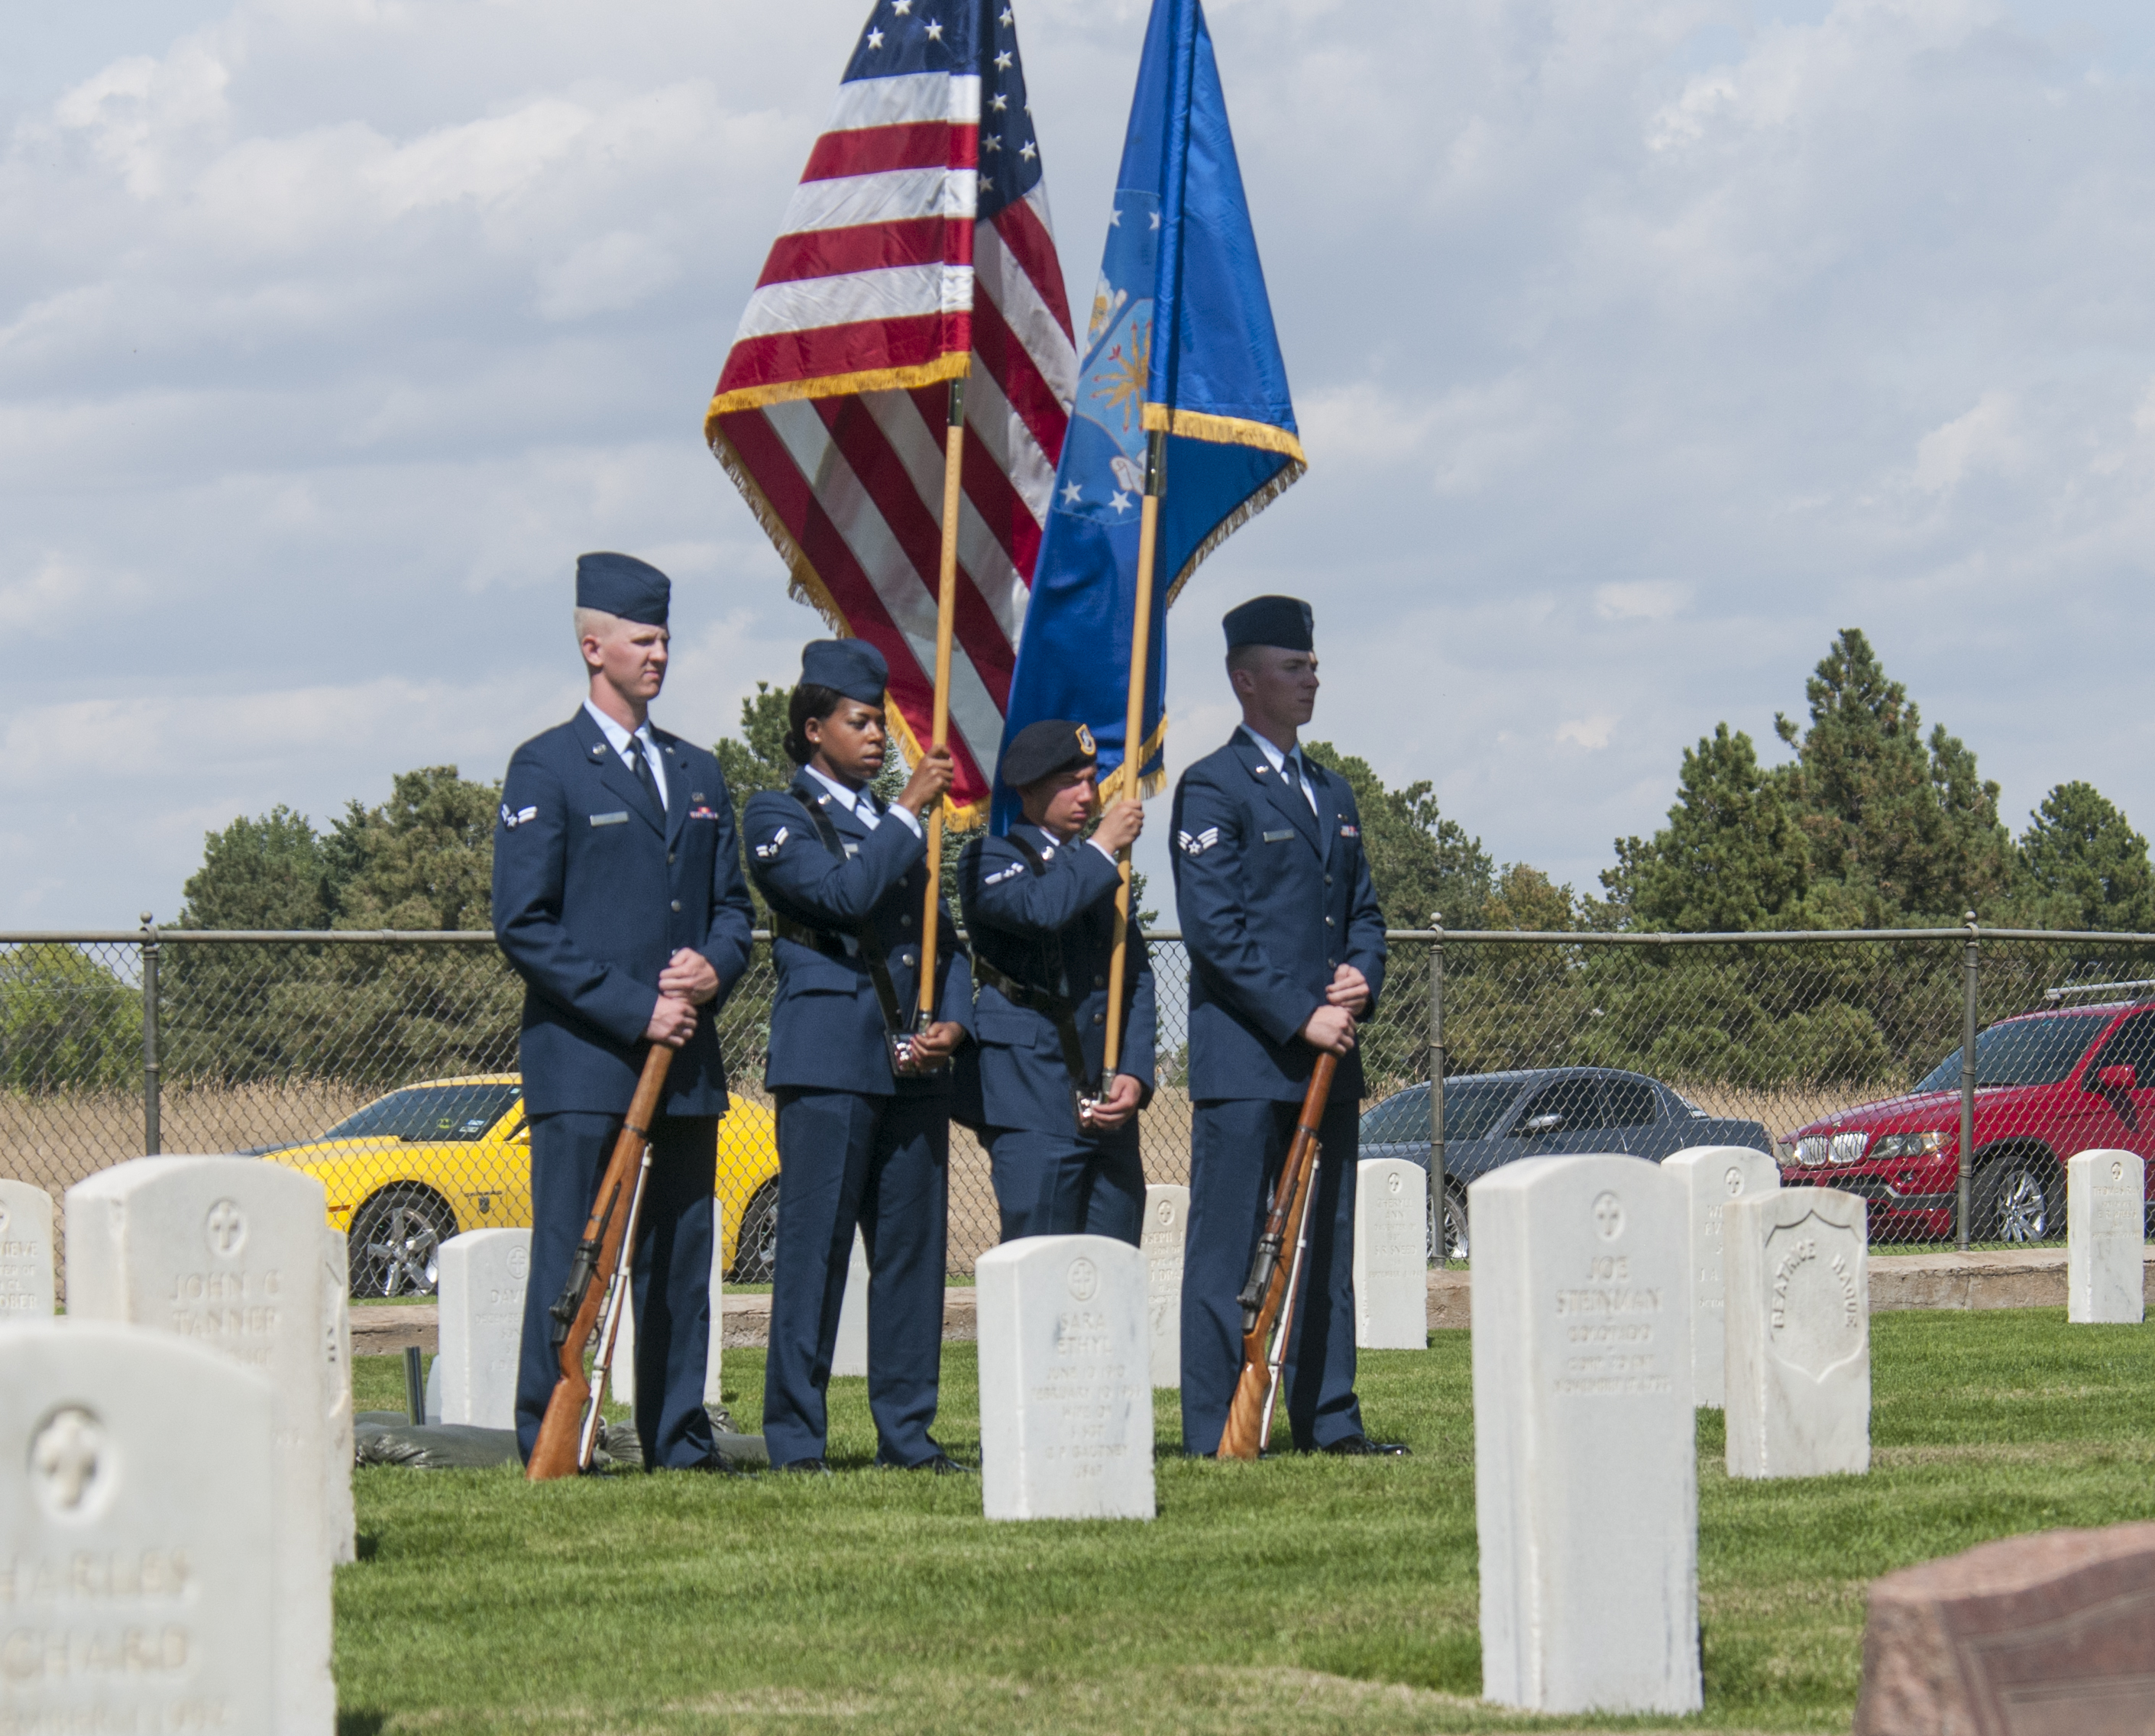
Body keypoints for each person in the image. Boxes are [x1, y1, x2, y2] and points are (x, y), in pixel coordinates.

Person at [493, 551, 756, 1473]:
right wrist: (636, 1006)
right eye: (644, 639)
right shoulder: (548, 767)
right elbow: (523, 923)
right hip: (587, 1063)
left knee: (681, 1262)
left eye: (666, 639)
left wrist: (713, 968)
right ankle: (550, 1435)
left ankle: (678, 1439)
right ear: (592, 645)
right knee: (573, 1256)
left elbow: (733, 911)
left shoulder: (697, 769)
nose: (661, 654)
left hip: (685, 1065)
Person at [1169, 595, 1406, 1457]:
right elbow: (1215, 929)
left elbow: (1367, 915)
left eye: (1311, 665)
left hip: (1327, 1059)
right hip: (1247, 1061)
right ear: (1245, 679)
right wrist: (1298, 1010)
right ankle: (1211, 1427)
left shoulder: (1331, 790)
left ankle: (1329, 1419)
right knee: (1229, 1244)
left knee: (1323, 1242)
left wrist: (1361, 978)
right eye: (1293, 666)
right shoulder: (1212, 787)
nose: (1312, 678)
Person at [741, 640, 975, 1476]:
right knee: (814, 1253)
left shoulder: (894, 821)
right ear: (813, 728)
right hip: (830, 1058)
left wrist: (954, 1018)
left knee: (910, 1260)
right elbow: (841, 898)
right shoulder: (779, 815)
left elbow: (940, 940)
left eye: (882, 720)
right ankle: (797, 1439)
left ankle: (906, 1433)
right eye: (860, 720)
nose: (879, 736)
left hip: (911, 1065)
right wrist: (909, 812)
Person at [956, 719, 1154, 1244]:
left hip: (1106, 1094)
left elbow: (1132, 975)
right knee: (1038, 1265)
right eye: (1070, 781)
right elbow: (1041, 907)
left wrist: (1134, 1069)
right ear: (1027, 789)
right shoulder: (990, 858)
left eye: (1091, 779)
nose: (1086, 794)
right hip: (1030, 1091)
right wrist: (1102, 846)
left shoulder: (1103, 866)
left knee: (1114, 1267)